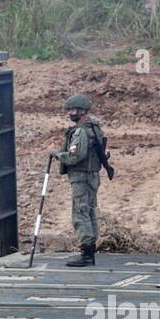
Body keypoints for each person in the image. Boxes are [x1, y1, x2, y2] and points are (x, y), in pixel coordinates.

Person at [50, 94, 108, 267]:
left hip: (82, 177)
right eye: (70, 110)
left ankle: (87, 253)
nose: (71, 113)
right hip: (91, 176)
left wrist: (57, 154)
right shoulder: (94, 128)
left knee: (80, 213)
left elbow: (76, 156)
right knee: (89, 212)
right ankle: (89, 252)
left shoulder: (81, 131)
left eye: (74, 110)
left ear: (83, 112)